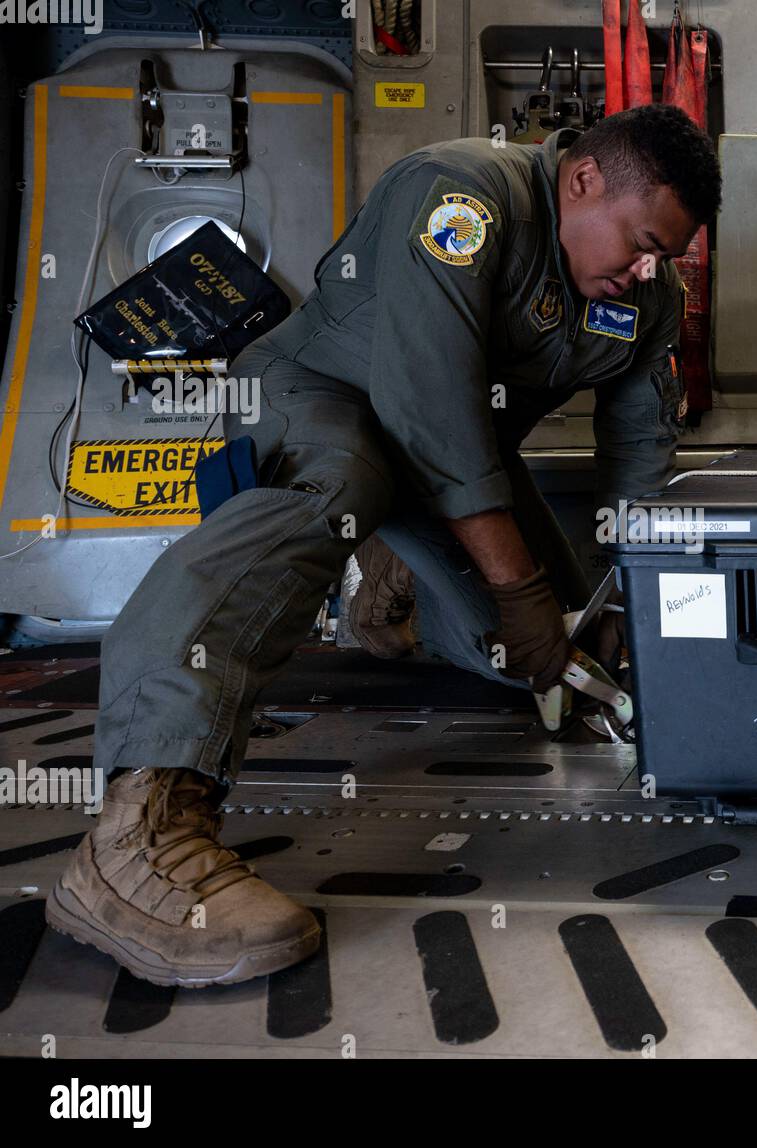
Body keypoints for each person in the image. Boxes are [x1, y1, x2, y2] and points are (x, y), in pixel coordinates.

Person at [44, 104, 722, 987]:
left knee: (547, 653)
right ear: (584, 179)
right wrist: (517, 588)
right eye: (638, 243)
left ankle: (393, 586)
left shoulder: (649, 300)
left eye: (663, 257)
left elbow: (638, 458)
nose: (644, 271)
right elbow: (431, 403)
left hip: (448, 459)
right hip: (320, 397)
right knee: (347, 488)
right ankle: (138, 830)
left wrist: (633, 608)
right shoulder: (461, 196)